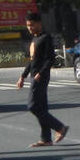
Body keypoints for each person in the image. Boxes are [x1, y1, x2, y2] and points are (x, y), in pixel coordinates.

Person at [17, 12, 69, 147]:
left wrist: (41, 73)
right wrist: (23, 76)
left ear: (39, 23)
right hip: (34, 75)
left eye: (32, 25)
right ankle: (46, 138)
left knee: (33, 106)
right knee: (42, 108)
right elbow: (31, 61)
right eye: (28, 25)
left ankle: (59, 127)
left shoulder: (46, 38)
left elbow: (50, 58)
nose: (30, 28)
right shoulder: (34, 39)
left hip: (40, 77)